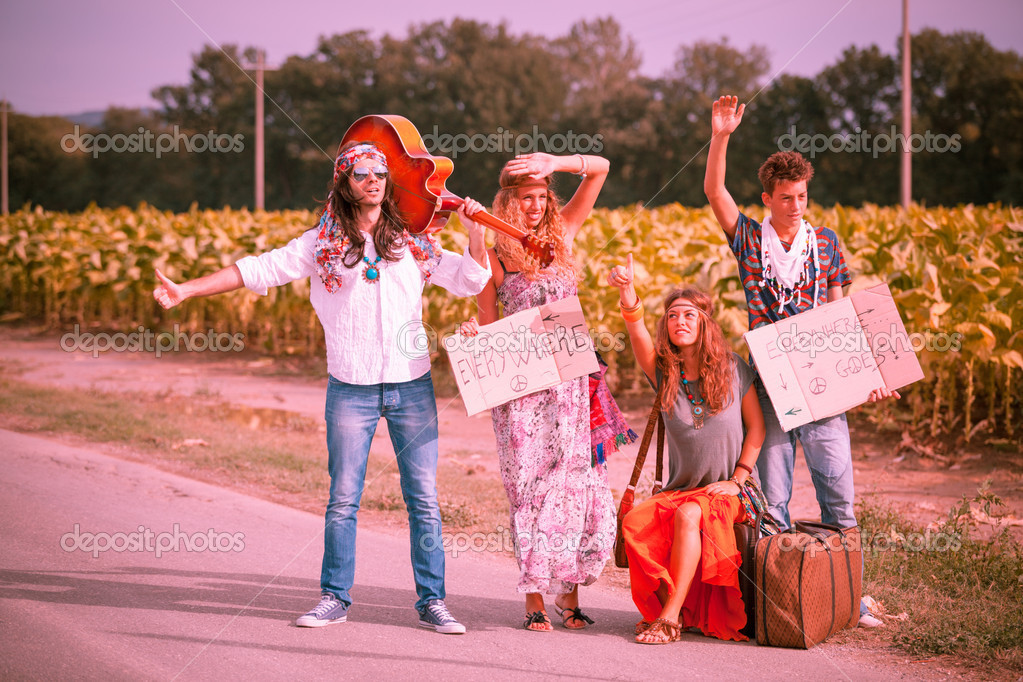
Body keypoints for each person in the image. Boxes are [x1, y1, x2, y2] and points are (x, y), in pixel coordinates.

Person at [152, 140, 491, 634]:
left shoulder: (413, 240)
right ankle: (334, 597)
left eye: (380, 172)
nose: (373, 179)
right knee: (343, 499)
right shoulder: (318, 245)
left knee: (422, 499)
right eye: (361, 173)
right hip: (350, 387)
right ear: (344, 184)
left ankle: (433, 602)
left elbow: (469, 280)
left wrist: (475, 236)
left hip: (411, 385)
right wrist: (187, 289)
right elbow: (255, 269)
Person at [703, 95, 898, 628]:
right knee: (775, 499)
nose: (795, 205)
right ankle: (781, 600)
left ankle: (849, 595)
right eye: (786, 197)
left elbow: (841, 319)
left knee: (839, 491)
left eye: (802, 196)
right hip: (769, 385)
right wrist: (721, 135)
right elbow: (714, 191)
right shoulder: (747, 239)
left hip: (822, 383)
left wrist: (868, 377)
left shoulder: (827, 244)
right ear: (767, 198)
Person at [459, 152, 630, 632]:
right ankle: (535, 597)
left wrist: (559, 159)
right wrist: (476, 333)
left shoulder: (564, 236)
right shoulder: (496, 257)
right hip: (523, 392)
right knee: (530, 490)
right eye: (524, 198)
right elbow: (488, 319)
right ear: (508, 202)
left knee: (573, 483)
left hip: (572, 385)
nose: (534, 205)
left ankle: (569, 593)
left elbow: (602, 168)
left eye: (540, 196)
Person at [607, 254, 766, 644]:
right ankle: (681, 607)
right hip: (681, 490)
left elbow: (757, 429)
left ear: (705, 324)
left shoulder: (733, 368)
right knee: (635, 523)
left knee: (689, 516)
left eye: (690, 315)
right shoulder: (663, 372)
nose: (680, 321)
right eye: (673, 315)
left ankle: (671, 618)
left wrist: (738, 480)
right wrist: (628, 294)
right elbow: (638, 333)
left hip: (730, 492)